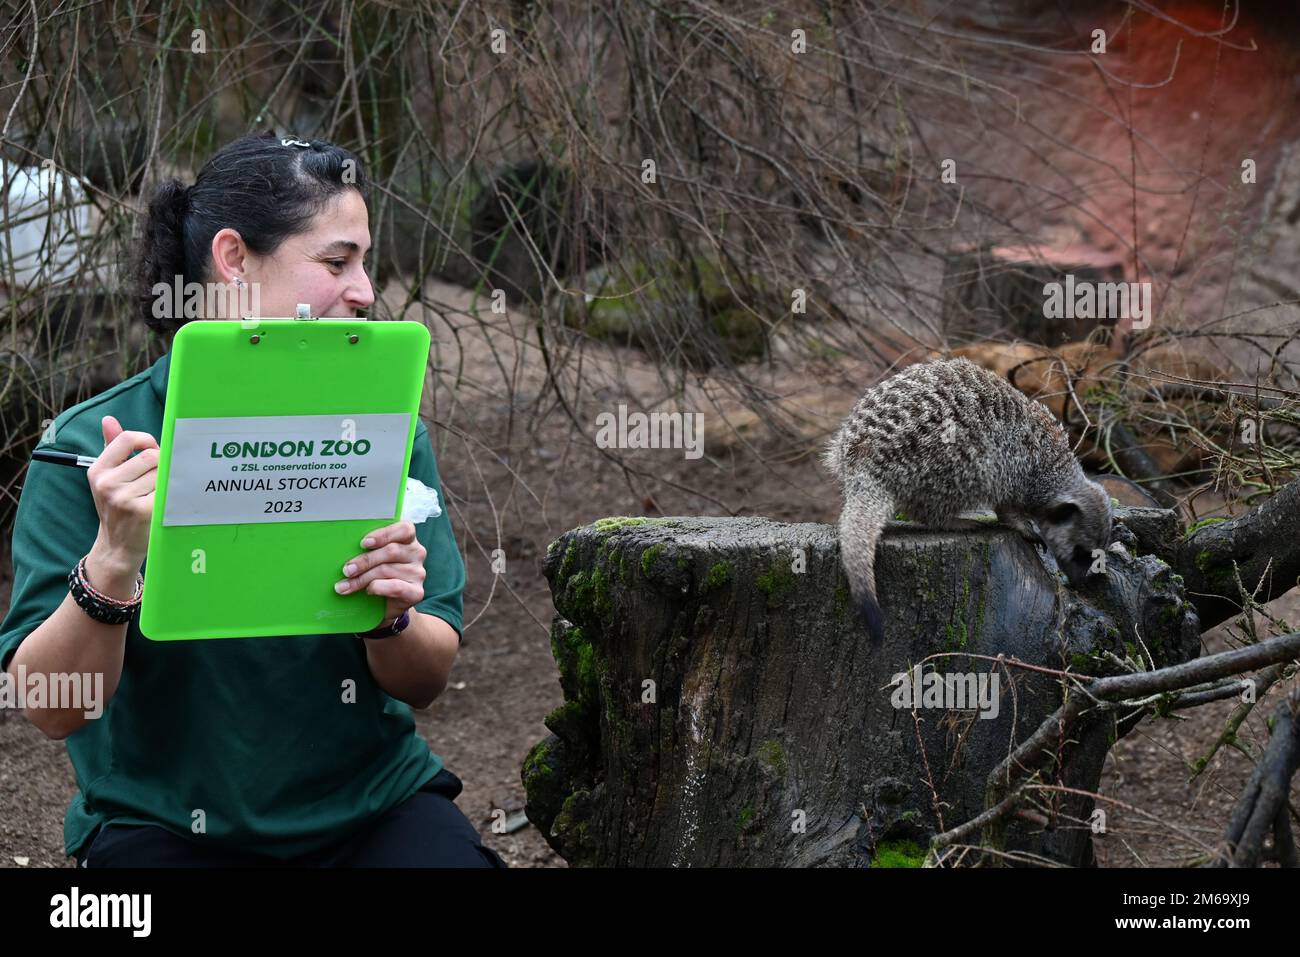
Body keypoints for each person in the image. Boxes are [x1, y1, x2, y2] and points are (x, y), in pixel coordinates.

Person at [0, 132, 505, 867]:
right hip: (163, 828)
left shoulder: (383, 428)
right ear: (234, 259)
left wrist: (390, 614)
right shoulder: (91, 447)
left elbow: (425, 681)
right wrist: (111, 561)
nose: (364, 290)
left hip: (372, 812)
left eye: (364, 261)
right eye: (337, 261)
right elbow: (51, 707)